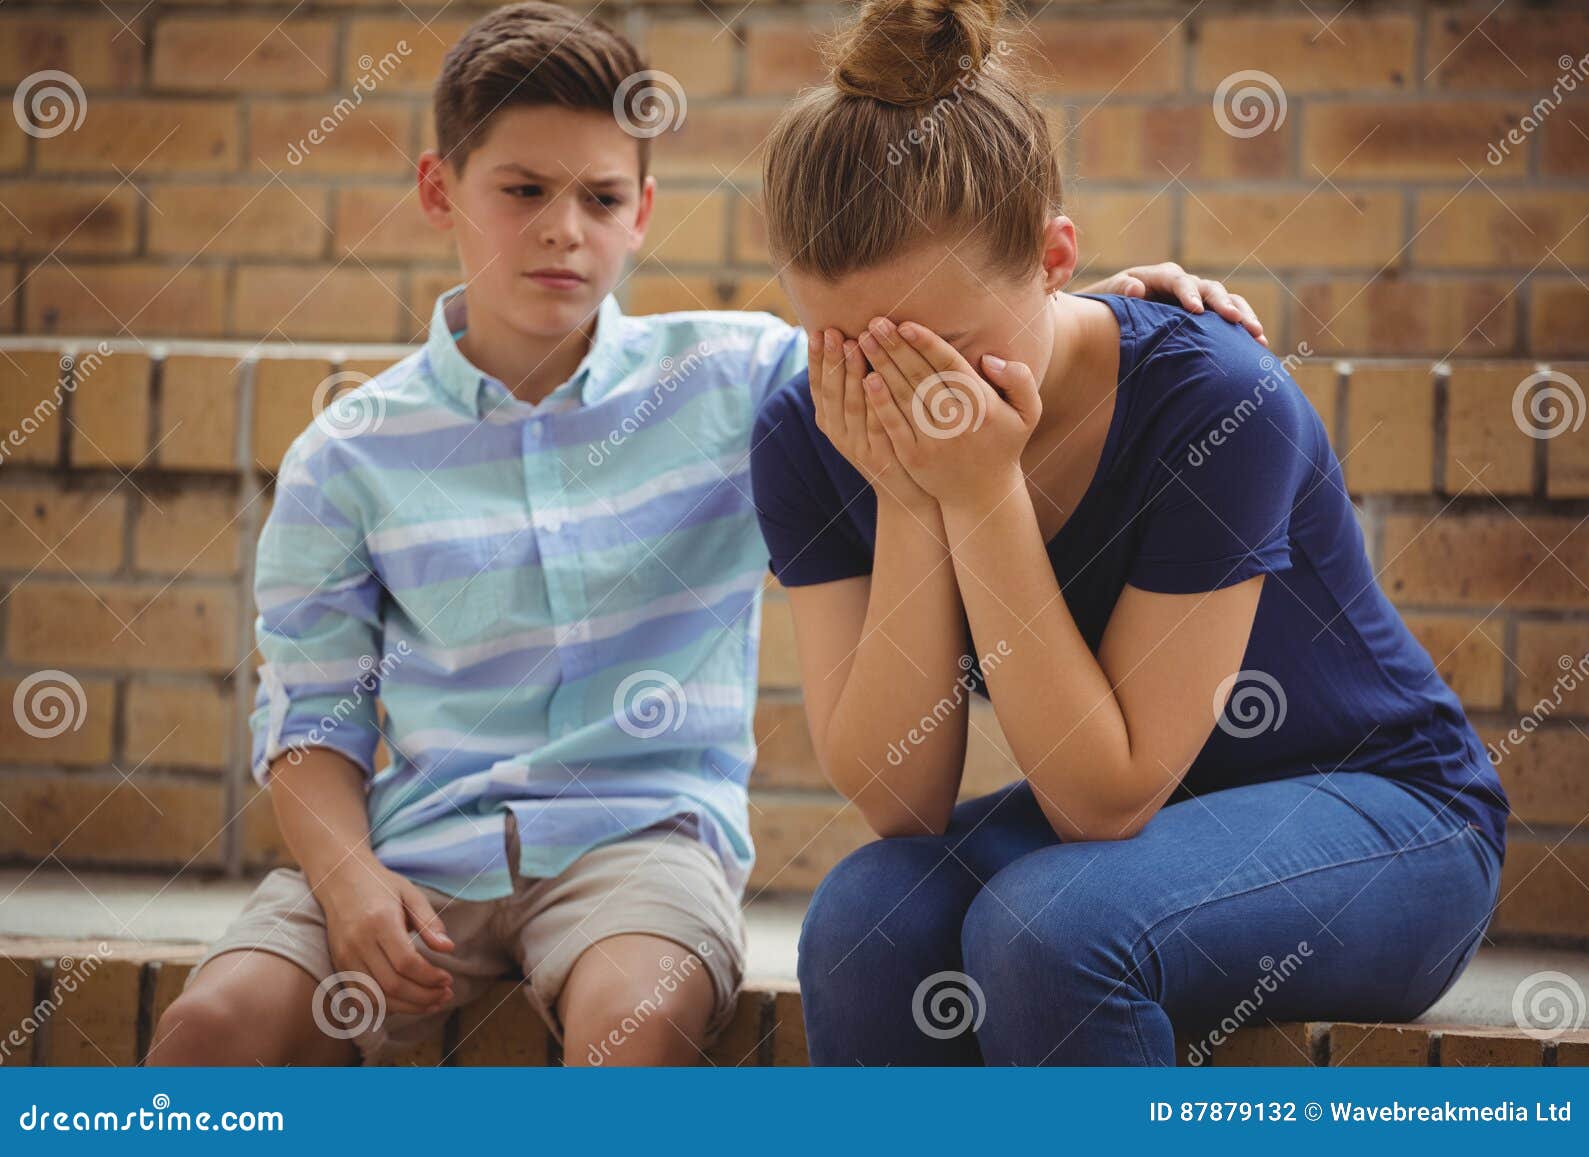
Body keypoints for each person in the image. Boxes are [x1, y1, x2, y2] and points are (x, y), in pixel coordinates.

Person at [146, 1, 1248, 1067]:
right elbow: (310, 712)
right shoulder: (348, 451)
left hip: (639, 851)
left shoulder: (735, 377)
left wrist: (1097, 306)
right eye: (522, 189)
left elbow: (934, 323)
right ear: (441, 188)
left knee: (633, 1025)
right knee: (210, 1029)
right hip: (413, 844)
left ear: (643, 210)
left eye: (600, 196)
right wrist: (345, 880)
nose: (561, 230)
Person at [748, 0, 1508, 1065]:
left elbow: (1105, 798)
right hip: (1139, 838)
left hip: (1387, 816)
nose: (904, 385)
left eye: (944, 344)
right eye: (852, 345)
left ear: (1055, 257)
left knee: (1049, 932)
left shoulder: (1215, 400)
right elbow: (900, 795)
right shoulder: (807, 427)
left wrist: (978, 494)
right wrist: (914, 499)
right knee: (862, 921)